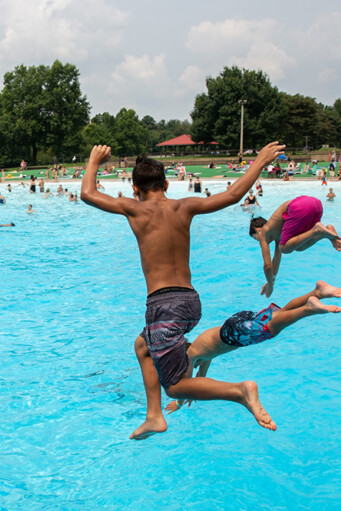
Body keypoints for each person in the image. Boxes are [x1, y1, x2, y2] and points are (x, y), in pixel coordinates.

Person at [80, 142, 285, 440]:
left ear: (135, 189)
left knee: (175, 386)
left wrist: (94, 159)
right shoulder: (184, 206)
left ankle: (240, 392)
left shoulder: (134, 209)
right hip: (190, 302)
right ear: (165, 183)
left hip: (163, 306)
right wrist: (260, 159)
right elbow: (233, 195)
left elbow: (87, 194)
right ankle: (154, 416)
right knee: (143, 346)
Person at [165, 281, 341, 414]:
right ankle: (317, 291)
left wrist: (179, 403)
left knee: (270, 330)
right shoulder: (200, 352)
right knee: (277, 314)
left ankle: (309, 309)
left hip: (232, 334)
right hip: (236, 321)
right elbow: (201, 378)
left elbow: (187, 383)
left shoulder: (189, 357)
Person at [249, 196, 341, 297]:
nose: (258, 241)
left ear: (258, 230)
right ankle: (324, 233)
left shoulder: (264, 233)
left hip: (299, 206)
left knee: (284, 248)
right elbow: (276, 259)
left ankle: (317, 231)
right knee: (298, 246)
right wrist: (272, 281)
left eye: (256, 238)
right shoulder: (277, 231)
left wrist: (270, 286)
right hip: (316, 205)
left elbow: (267, 265)